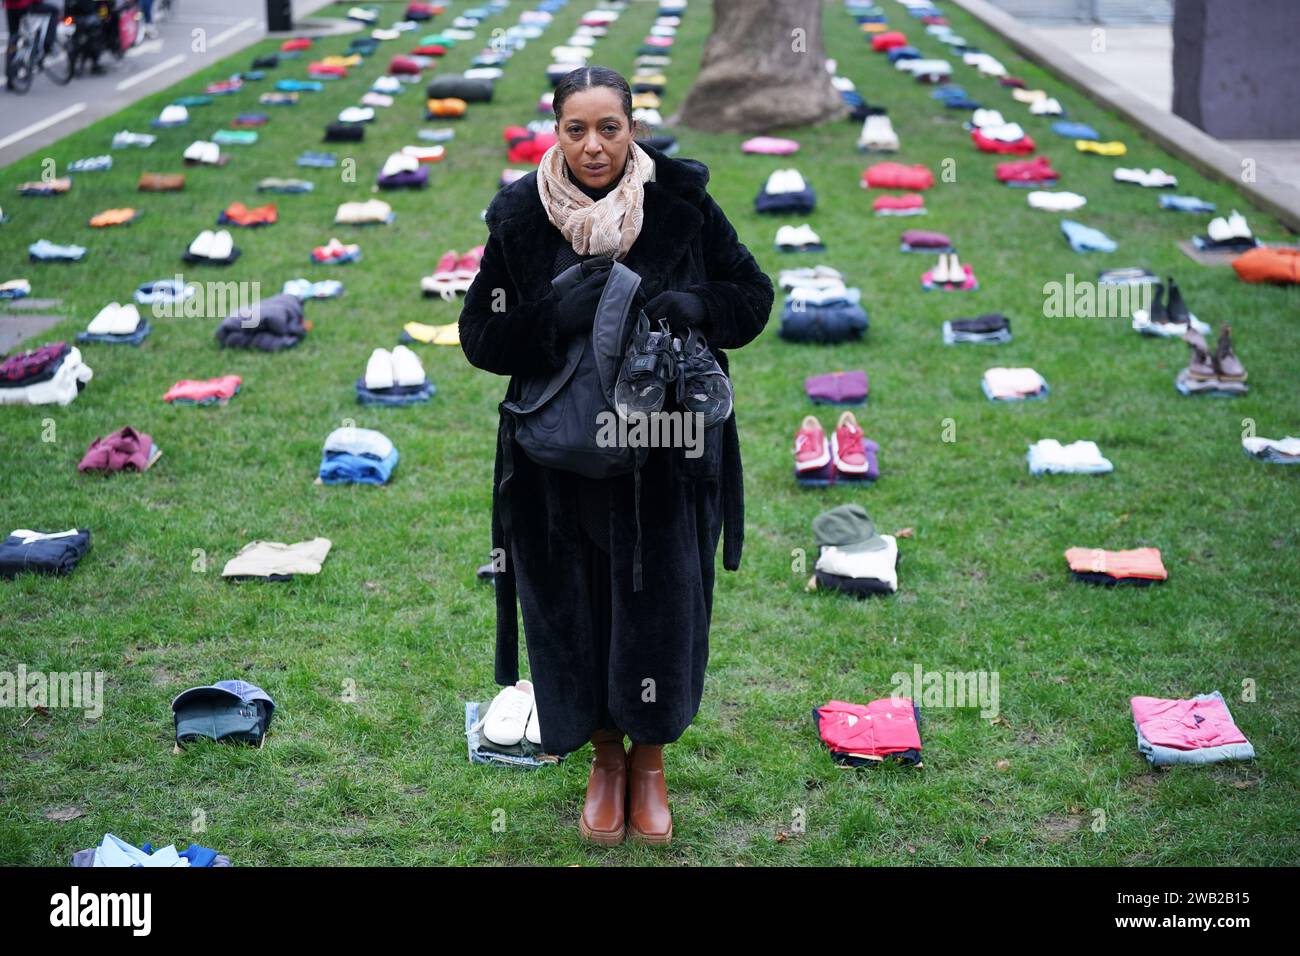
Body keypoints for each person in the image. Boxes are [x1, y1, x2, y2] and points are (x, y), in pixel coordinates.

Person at [459, 66, 773, 846]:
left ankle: (651, 765)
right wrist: (546, 318)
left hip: (666, 466)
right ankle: (604, 762)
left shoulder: (682, 206)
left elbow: (753, 296)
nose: (593, 146)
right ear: (554, 132)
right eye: (576, 129)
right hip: (555, 468)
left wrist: (700, 304)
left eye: (609, 128)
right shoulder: (521, 220)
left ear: (633, 126)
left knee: (661, 614)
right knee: (572, 615)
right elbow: (480, 336)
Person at [4, 0, 61, 81]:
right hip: (25, 5)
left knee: (13, 37)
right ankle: (47, 44)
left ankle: (10, 73)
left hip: (10, 5)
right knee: (54, 11)